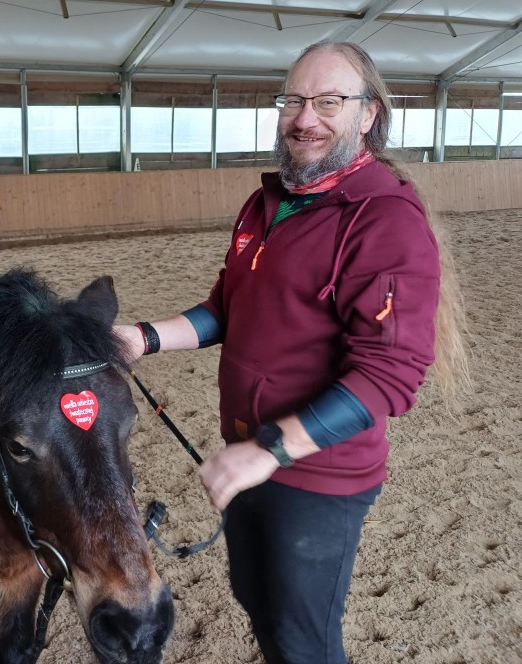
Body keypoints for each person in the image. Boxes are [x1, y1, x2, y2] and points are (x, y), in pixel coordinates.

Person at [117, 41, 467, 663]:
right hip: (249, 452)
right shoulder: (267, 202)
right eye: (294, 100)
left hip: (319, 475)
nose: (306, 117)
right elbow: (226, 310)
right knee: (256, 601)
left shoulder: (384, 218)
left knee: (305, 641)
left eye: (329, 100)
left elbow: (390, 376)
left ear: (368, 115)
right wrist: (142, 338)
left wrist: (269, 451)